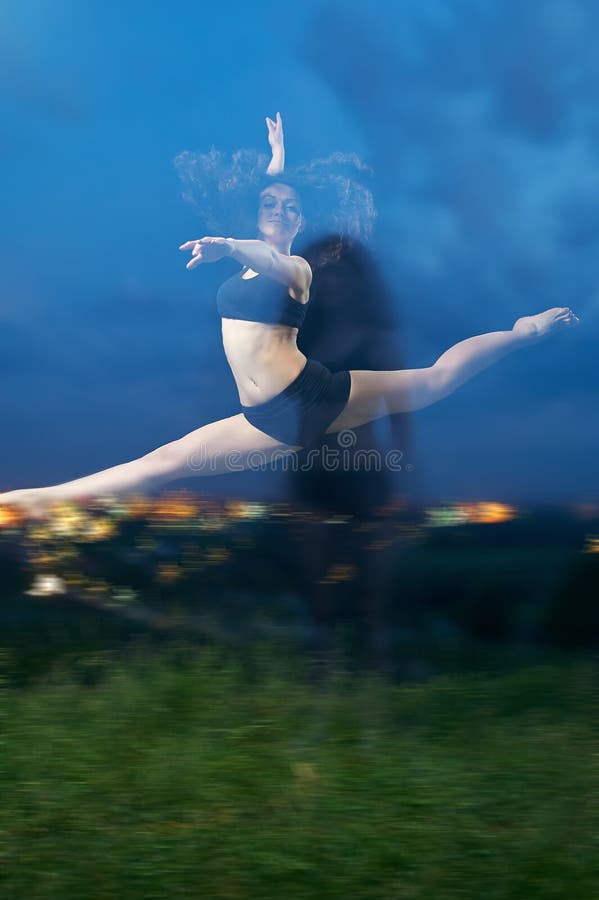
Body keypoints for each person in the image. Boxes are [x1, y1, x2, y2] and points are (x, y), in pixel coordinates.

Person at [0, 116, 580, 515]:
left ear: (300, 223)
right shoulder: (252, 257)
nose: (278, 211)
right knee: (162, 464)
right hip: (265, 419)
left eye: (290, 208)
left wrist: (230, 245)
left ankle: (524, 331)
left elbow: (267, 256)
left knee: (434, 381)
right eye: (269, 204)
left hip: (310, 398)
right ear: (258, 211)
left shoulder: (296, 268)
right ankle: (21, 501)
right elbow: (265, 221)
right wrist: (278, 163)